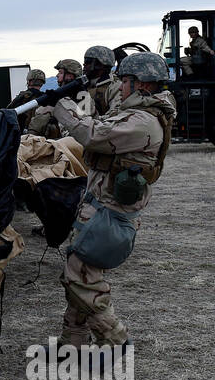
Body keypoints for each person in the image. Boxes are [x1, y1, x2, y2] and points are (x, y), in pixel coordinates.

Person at [47, 52, 175, 348]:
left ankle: (115, 340)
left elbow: (92, 134)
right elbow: (99, 123)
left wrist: (61, 108)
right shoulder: (136, 113)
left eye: (125, 81)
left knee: (81, 279)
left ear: (139, 83)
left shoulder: (143, 121)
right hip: (100, 208)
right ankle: (72, 344)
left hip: (109, 213)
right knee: (80, 275)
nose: (121, 86)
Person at [28, 59, 82, 138]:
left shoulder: (59, 100)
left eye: (60, 72)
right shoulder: (84, 94)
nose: (57, 75)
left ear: (70, 75)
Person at [82, 45, 120, 115]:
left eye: (88, 62)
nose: (84, 64)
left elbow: (114, 115)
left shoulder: (115, 86)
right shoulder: (83, 85)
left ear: (100, 65)